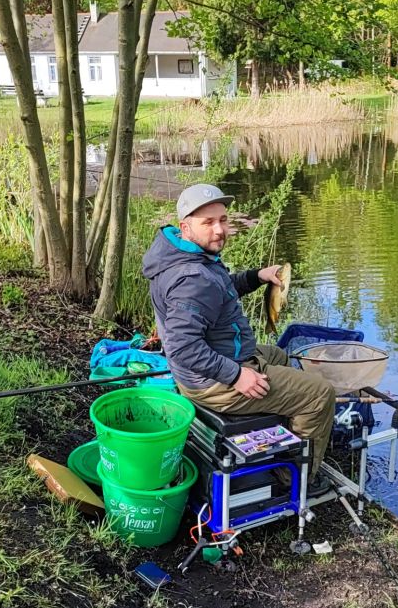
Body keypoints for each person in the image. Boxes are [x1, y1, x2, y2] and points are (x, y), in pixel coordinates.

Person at [143, 183, 336, 491]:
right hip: (212, 383)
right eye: (208, 222)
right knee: (320, 394)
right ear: (185, 226)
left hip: (208, 366)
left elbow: (218, 290)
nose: (219, 230)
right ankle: (294, 479)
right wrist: (236, 376)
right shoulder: (191, 279)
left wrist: (256, 277)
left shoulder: (182, 254)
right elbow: (182, 348)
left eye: (223, 220)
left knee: (277, 356)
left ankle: (284, 434)